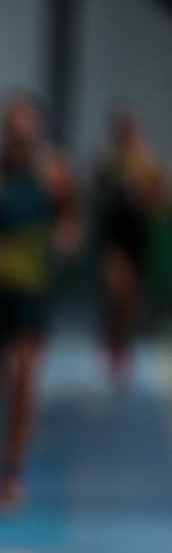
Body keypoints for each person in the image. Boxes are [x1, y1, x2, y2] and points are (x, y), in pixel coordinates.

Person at [0, 91, 80, 513]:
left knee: (25, 381)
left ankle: (9, 472)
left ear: (38, 135)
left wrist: (64, 238)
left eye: (29, 135)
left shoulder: (54, 172)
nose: (21, 142)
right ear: (3, 134)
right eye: (14, 134)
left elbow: (70, 216)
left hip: (31, 288)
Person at [92, 104, 167, 381]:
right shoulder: (106, 160)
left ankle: (123, 342)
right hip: (114, 234)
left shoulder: (149, 161)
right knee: (116, 288)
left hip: (137, 234)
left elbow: (161, 203)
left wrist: (141, 200)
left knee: (131, 297)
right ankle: (109, 336)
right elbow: (96, 198)